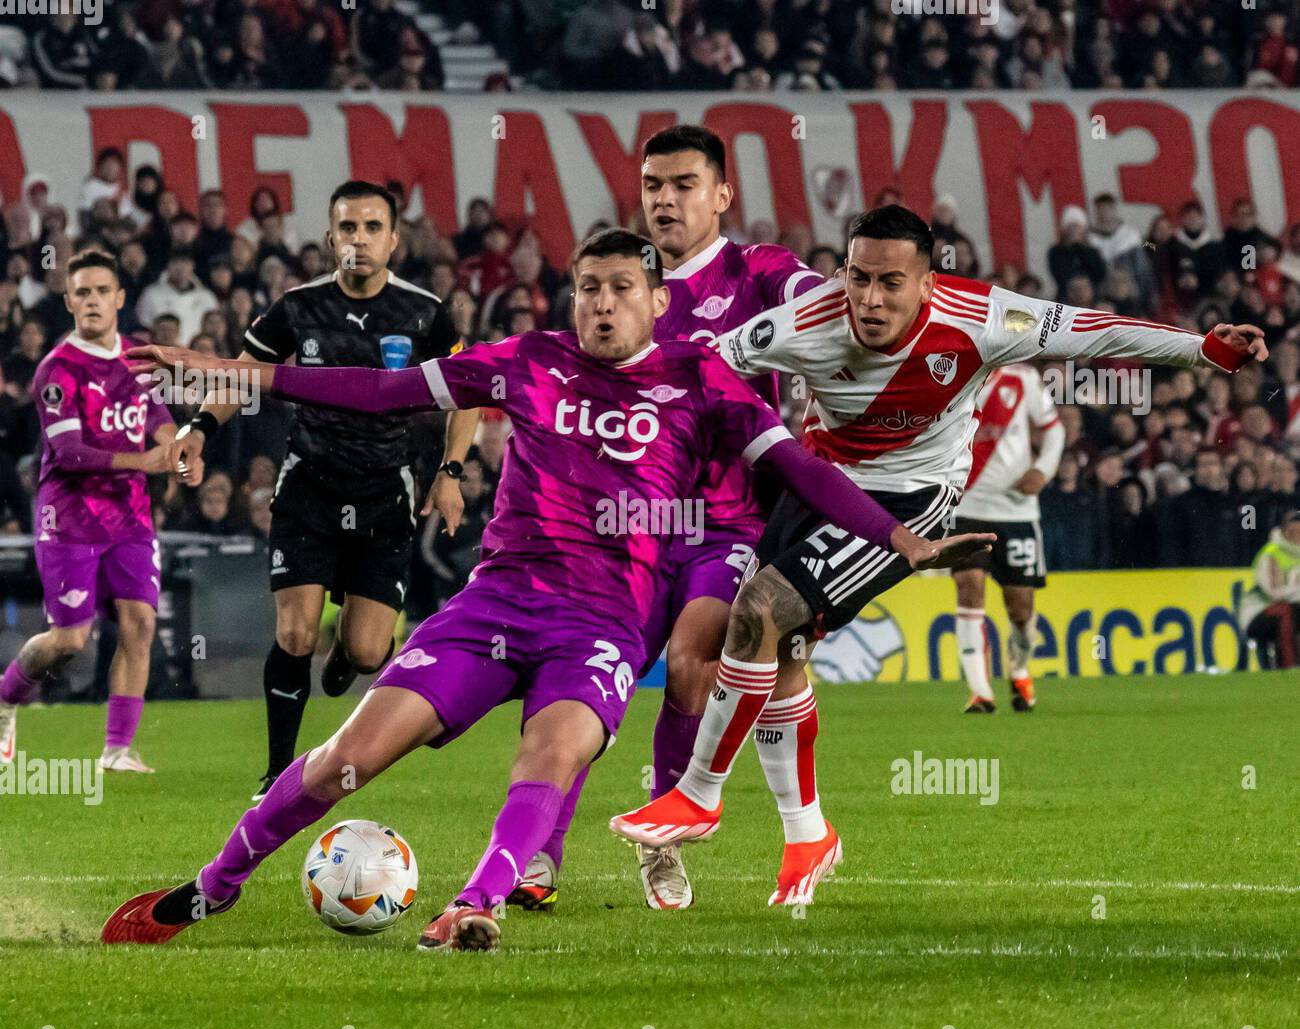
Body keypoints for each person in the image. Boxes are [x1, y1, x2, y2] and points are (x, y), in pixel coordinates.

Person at [101, 227, 989, 952]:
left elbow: (800, 468)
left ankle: (475, 904)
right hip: (494, 602)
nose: (601, 303)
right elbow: (380, 390)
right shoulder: (528, 360)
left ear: (656, 300)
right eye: (587, 287)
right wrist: (231, 374)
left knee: (553, 755)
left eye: (619, 288)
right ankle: (211, 888)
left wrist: (898, 534)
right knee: (346, 760)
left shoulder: (701, 379)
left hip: (601, 625)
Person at [611, 204, 1266, 907]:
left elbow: (1093, 332)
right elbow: (699, 368)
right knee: (784, 652)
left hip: (912, 502)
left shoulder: (982, 317)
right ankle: (808, 836)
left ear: (928, 283)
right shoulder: (806, 322)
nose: (869, 298)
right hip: (821, 483)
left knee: (760, 612)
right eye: (857, 278)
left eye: (891, 282)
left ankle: (699, 795)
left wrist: (1203, 349)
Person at [513, 124, 823, 914]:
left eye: (685, 184)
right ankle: (537, 859)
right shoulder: (615, 282)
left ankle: (662, 843)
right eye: (653, 184)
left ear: (722, 195)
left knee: (692, 662)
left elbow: (824, 304)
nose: (665, 199)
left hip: (724, 523)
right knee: (581, 690)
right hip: (619, 526)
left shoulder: (759, 272)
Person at [167, 180, 465, 800]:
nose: (359, 240)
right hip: (310, 485)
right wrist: (197, 427)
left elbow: (468, 391)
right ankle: (277, 774)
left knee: (365, 652)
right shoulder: (295, 308)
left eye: (372, 228)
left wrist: (451, 471)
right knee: (295, 636)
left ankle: (348, 653)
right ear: (331, 239)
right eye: (348, 229)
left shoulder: (426, 313)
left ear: (394, 238)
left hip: (387, 491)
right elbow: (240, 376)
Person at [0, 250, 194, 767]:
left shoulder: (136, 358)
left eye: (100, 290)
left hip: (129, 518)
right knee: (69, 639)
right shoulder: (57, 370)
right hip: (69, 519)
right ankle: (5, 698)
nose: (91, 300)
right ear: (68, 302)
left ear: (119, 298)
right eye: (81, 292)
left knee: (140, 624)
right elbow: (69, 453)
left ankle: (117, 749)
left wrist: (177, 453)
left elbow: (158, 419)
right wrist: (149, 460)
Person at [949, 362, 1064, 713]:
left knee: (1021, 607)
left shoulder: (1022, 378)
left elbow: (1054, 431)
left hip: (1016, 509)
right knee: (969, 585)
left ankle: (1020, 669)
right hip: (965, 505)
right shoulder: (950, 373)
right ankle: (980, 692)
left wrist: (1042, 472)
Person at [1240, 511, 1300, 669]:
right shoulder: (1270, 553)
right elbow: (1272, 593)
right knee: (1286, 612)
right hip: (1259, 611)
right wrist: (1296, 591)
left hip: (1292, 607)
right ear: (1286, 530)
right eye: (1295, 531)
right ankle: (1289, 665)